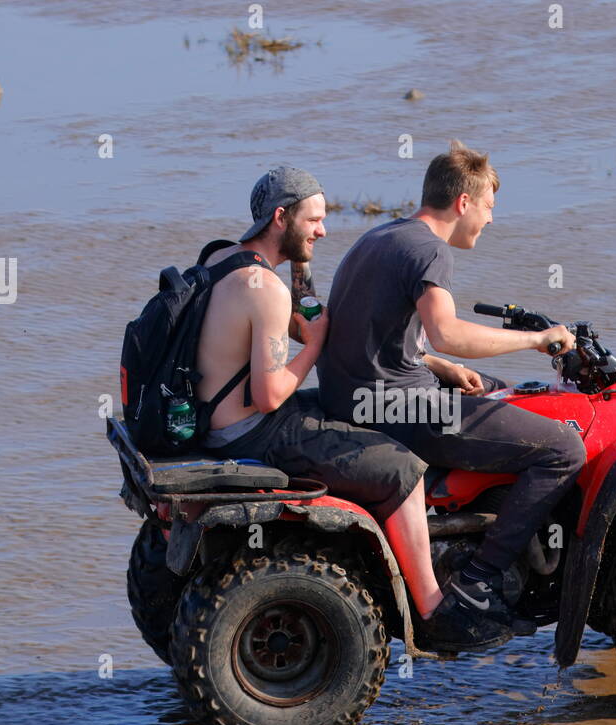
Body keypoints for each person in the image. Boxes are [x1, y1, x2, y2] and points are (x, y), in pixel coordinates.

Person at [317, 141, 587, 645]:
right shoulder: (429, 249)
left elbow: (385, 334)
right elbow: (445, 330)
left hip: (358, 396)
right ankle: (479, 579)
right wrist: (537, 339)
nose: (489, 220)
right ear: (463, 202)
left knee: (502, 391)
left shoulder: (381, 237)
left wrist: (444, 368)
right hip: (398, 408)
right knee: (563, 448)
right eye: (488, 207)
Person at [194, 165, 465, 638]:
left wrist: (302, 270)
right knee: (401, 467)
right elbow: (272, 392)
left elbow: (302, 317)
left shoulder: (223, 259)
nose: (324, 229)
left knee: (362, 405)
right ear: (281, 218)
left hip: (217, 418)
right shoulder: (266, 292)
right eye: (314, 221)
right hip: (254, 426)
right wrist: (315, 346)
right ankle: (433, 609)